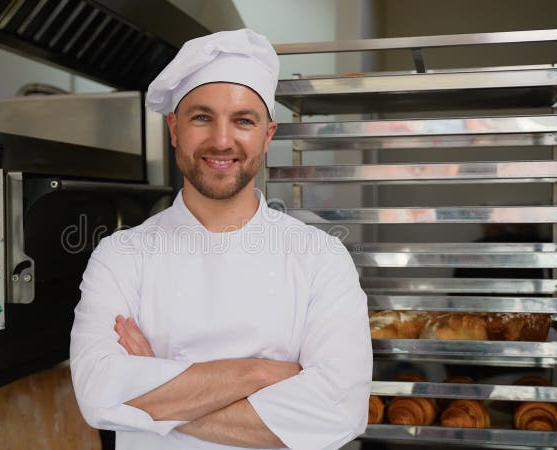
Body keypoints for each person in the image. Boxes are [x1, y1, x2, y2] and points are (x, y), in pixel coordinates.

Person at [69, 28, 371, 450]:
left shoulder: (321, 258)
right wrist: (259, 373)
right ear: (174, 128)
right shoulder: (120, 256)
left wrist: (155, 387)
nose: (222, 140)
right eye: (201, 117)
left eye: (243, 120)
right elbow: (98, 395)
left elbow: (339, 411)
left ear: (267, 135)